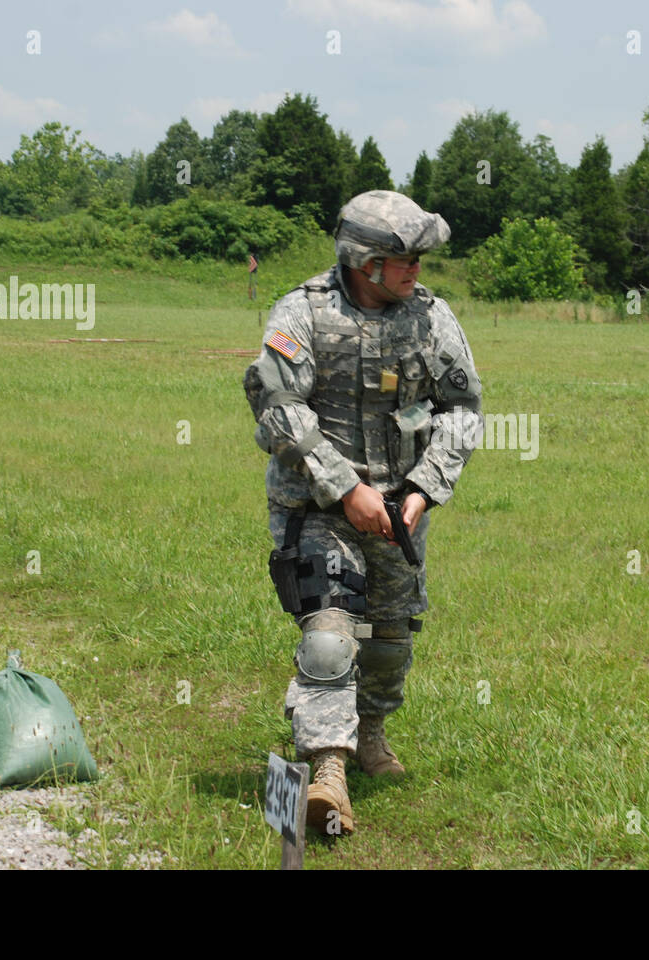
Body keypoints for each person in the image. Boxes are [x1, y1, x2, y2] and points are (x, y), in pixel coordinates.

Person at [244, 190, 482, 835]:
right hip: (317, 507)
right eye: (405, 261)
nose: (418, 273)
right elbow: (275, 409)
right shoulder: (301, 313)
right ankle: (327, 769)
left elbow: (462, 410)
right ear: (366, 262)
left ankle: (369, 731)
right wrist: (345, 487)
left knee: (389, 640)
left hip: (402, 508)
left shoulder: (433, 318)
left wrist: (424, 489)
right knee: (329, 634)